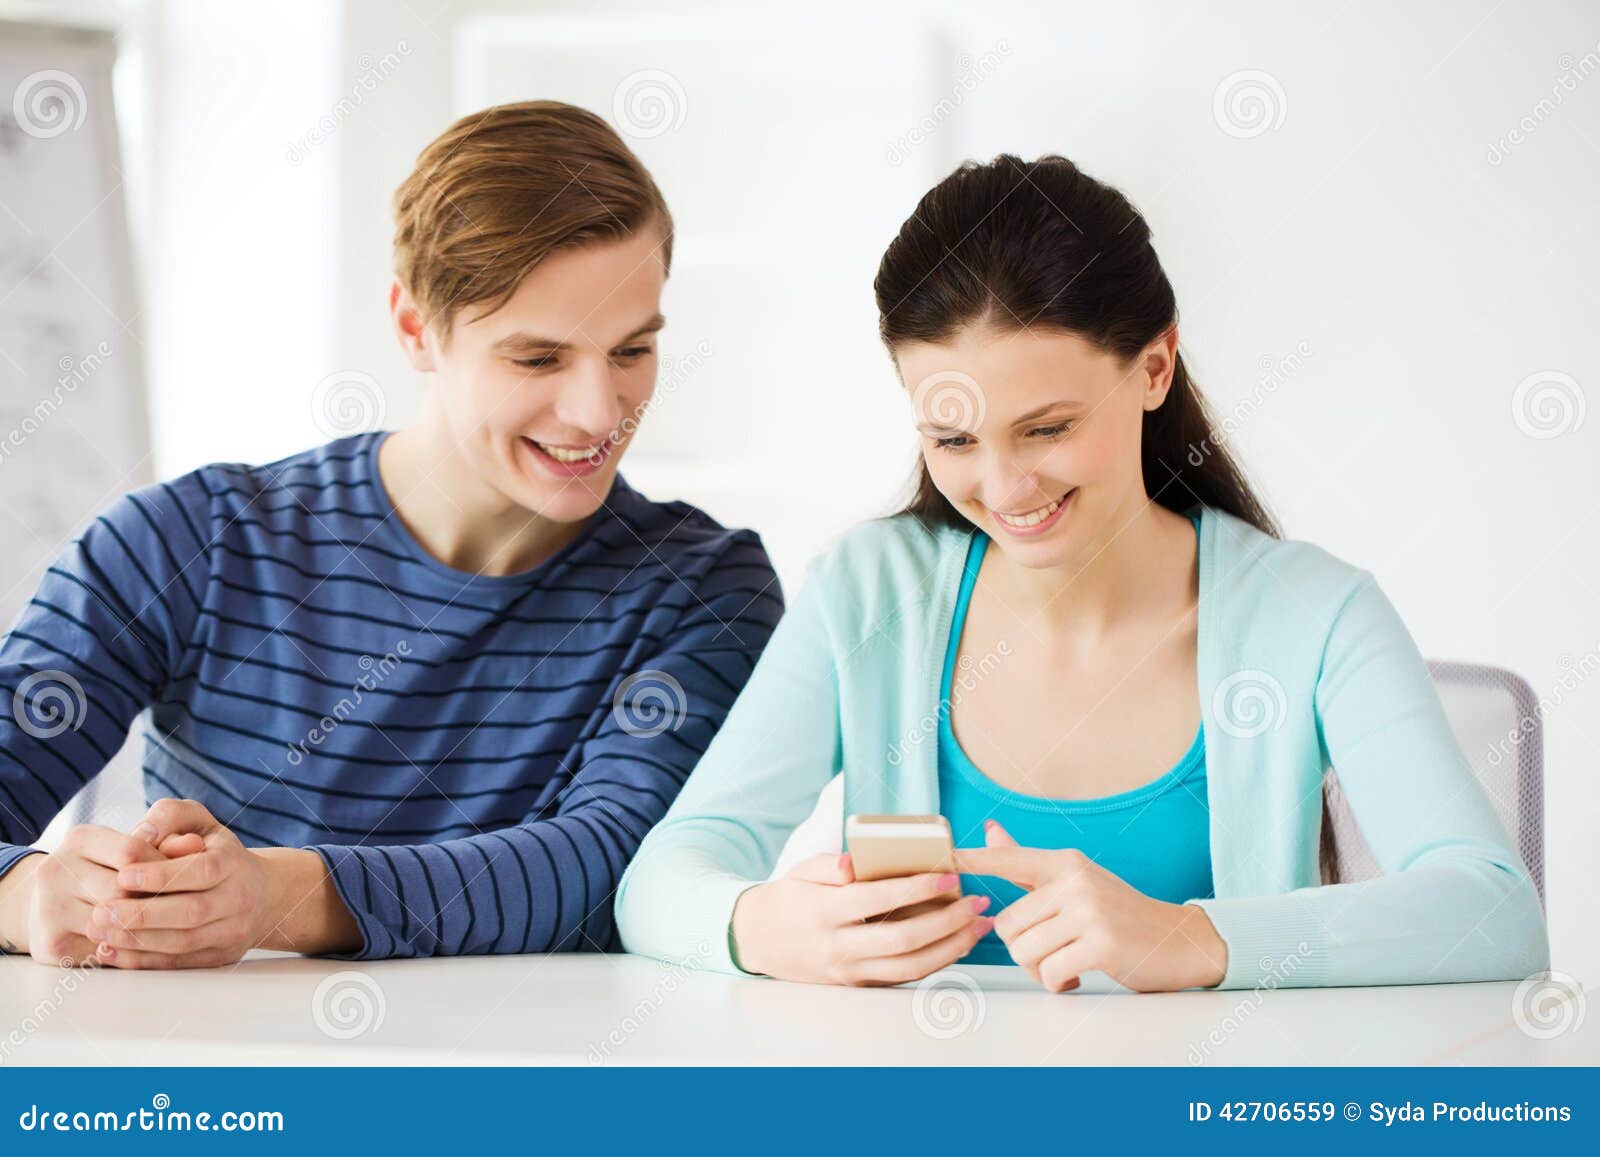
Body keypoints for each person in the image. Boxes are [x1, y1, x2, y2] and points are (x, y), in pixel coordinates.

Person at [614, 154, 1549, 992]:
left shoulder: (1315, 615)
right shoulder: (868, 592)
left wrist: (1194, 938)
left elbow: (1494, 911)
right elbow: (663, 878)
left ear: (1154, 367)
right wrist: (758, 926)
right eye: (953, 439)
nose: (1004, 485)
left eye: (1048, 428)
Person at [0, 101, 780, 968]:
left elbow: (617, 865)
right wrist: (27, 891)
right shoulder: (190, 542)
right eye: (538, 358)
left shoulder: (702, 589)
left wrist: (275, 896)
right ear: (415, 327)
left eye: (632, 350)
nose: (599, 411)